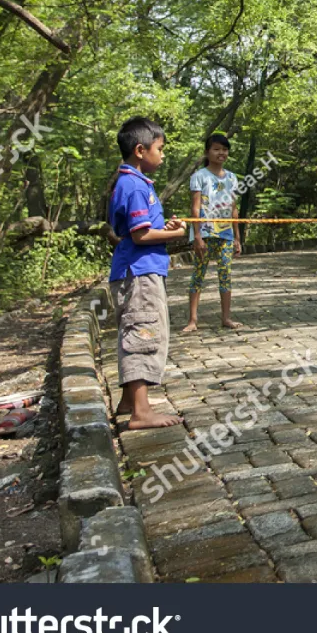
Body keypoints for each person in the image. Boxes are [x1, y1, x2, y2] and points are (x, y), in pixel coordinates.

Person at [108, 117, 189, 428]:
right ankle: (142, 413)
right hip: (138, 273)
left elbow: (140, 228)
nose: (163, 154)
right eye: (160, 149)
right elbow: (140, 236)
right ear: (141, 150)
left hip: (139, 270)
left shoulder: (134, 182)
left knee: (140, 329)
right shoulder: (133, 185)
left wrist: (164, 228)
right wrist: (175, 235)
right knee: (143, 333)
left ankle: (129, 403)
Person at [182, 133, 243, 332]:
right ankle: (192, 320)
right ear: (207, 152)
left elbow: (234, 208)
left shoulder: (232, 178)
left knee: (225, 275)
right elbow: (195, 207)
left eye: (224, 149)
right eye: (216, 149)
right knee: (198, 274)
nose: (221, 153)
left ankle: (226, 318)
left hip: (225, 234)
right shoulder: (199, 176)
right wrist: (197, 235)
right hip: (205, 234)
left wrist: (237, 237)